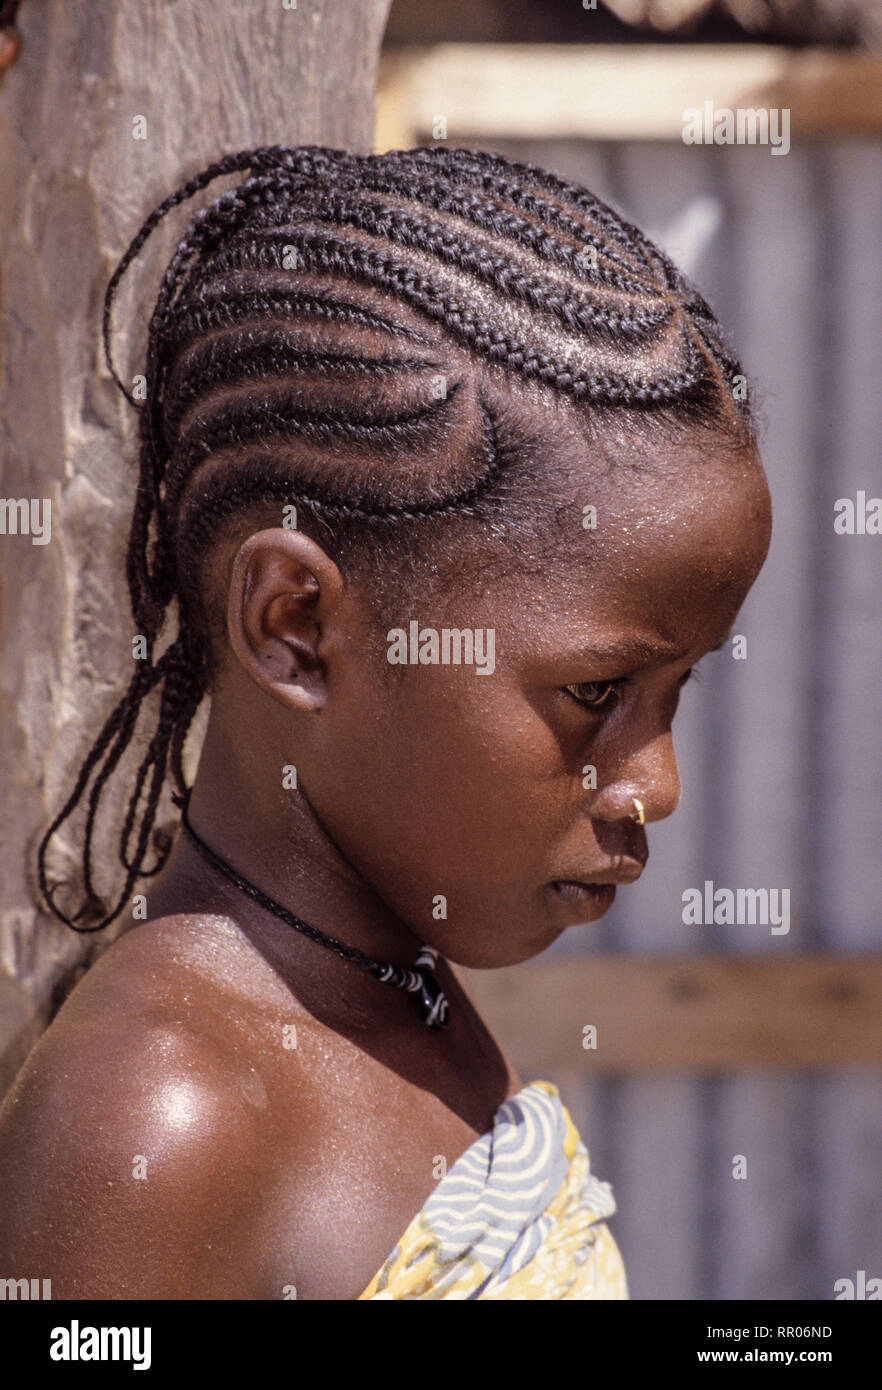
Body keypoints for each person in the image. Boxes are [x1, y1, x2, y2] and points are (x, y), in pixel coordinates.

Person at [0, 146, 771, 1299]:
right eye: (599, 694)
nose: (655, 785)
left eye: (679, 690)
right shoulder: (159, 1122)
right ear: (297, 625)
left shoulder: (400, 1003)